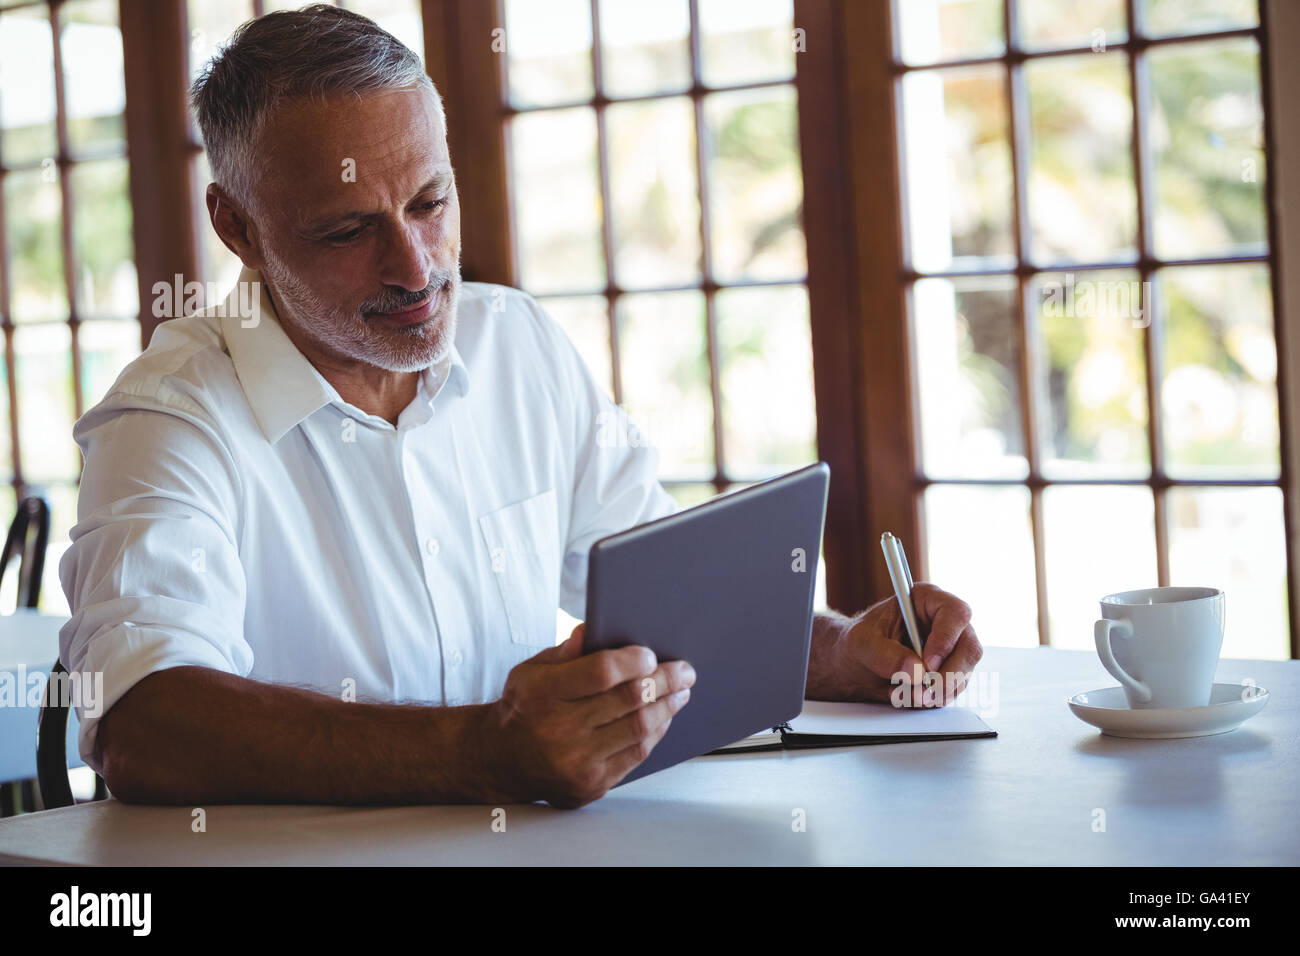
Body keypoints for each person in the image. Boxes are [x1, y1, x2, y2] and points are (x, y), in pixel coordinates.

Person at [59, 5, 982, 810]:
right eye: (346, 230)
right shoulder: (169, 420)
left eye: (430, 201)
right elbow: (143, 721)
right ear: (238, 229)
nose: (415, 268)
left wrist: (836, 650)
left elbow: (672, 616)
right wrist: (483, 753)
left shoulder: (518, 347)